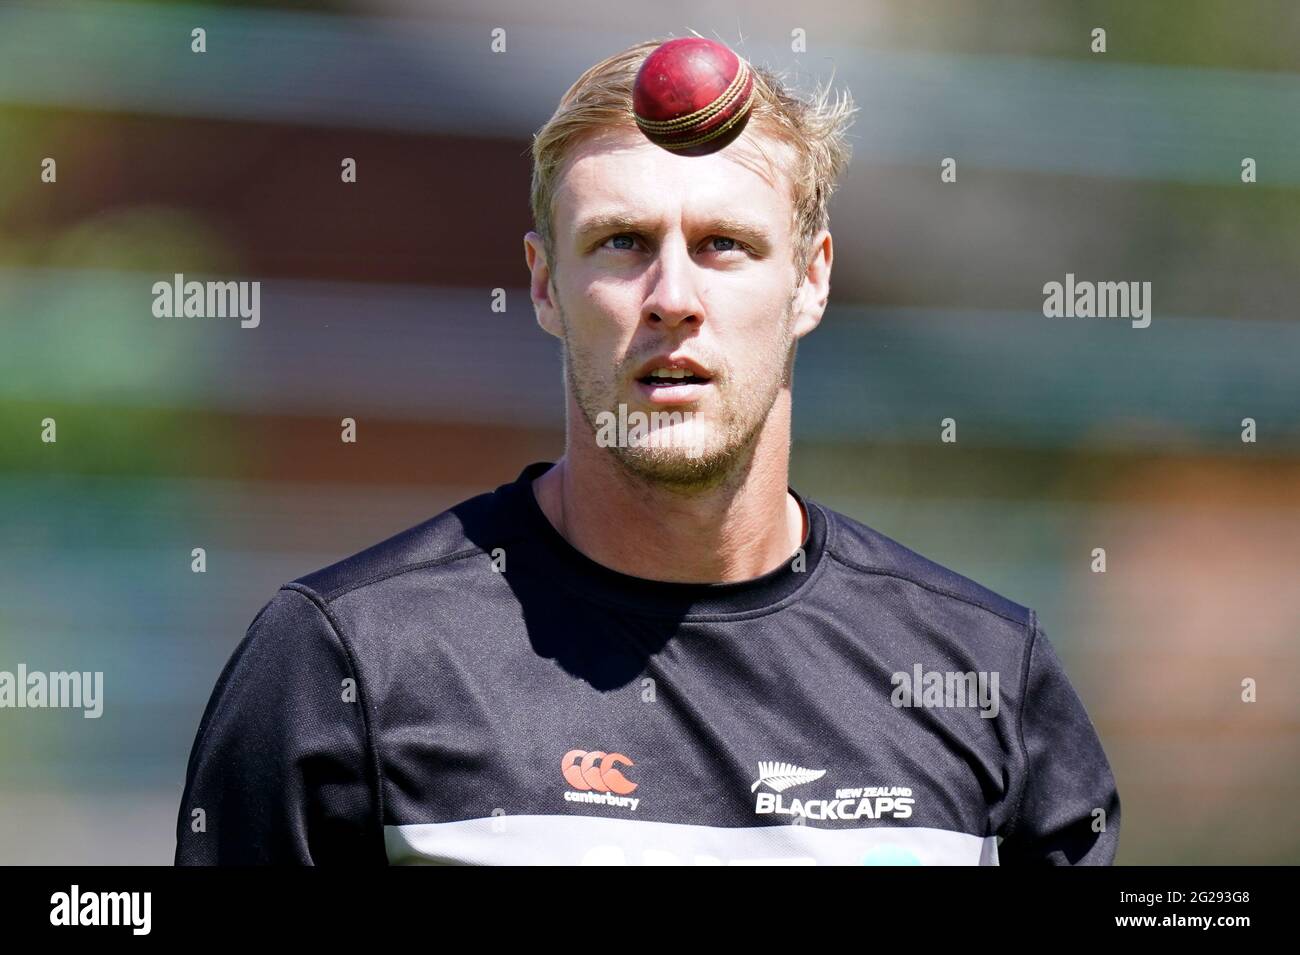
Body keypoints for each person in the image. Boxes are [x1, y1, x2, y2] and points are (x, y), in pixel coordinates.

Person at [175, 38, 1119, 865]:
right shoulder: (347, 662)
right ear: (544, 285)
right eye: (623, 242)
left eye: (724, 244)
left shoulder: (985, 671)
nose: (672, 295)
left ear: (811, 280)